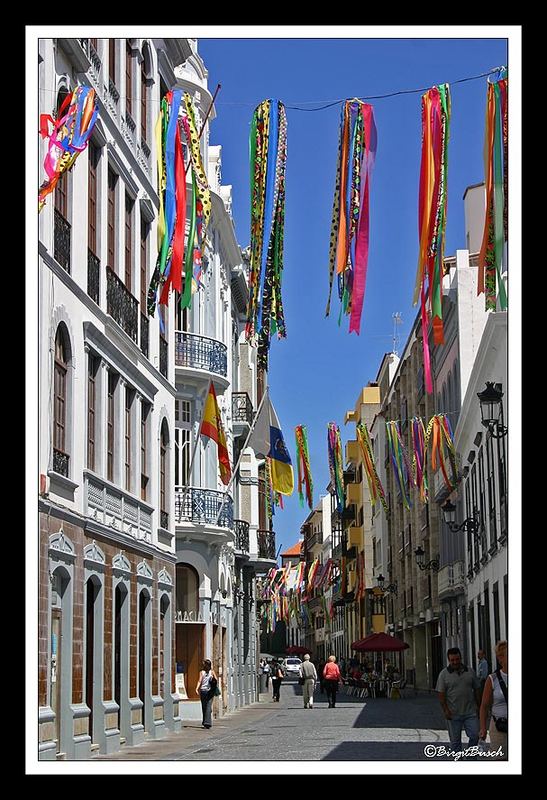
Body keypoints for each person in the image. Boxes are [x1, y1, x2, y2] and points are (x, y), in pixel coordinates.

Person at [436, 647, 481, 754]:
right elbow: (441, 694)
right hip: (453, 713)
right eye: (452, 660)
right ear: (449, 660)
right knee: (455, 742)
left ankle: (471, 758)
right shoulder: (444, 674)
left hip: (470, 712)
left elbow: (477, 689)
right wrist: (445, 710)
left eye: (457, 659)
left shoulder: (469, 671)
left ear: (460, 658)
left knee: (475, 735)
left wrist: (479, 706)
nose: (455, 662)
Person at [479, 640, 508, 760]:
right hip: (499, 727)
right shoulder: (493, 679)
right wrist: (483, 728)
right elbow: (484, 706)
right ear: (501, 658)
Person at [195, 658, 217, 729]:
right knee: (204, 707)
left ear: (207, 665)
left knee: (208, 706)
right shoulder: (202, 672)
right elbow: (199, 681)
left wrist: (212, 681)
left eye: (204, 664)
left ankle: (207, 723)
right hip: (203, 691)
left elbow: (215, 680)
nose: (204, 665)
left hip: (209, 691)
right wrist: (197, 688)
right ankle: (205, 721)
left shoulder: (212, 672)